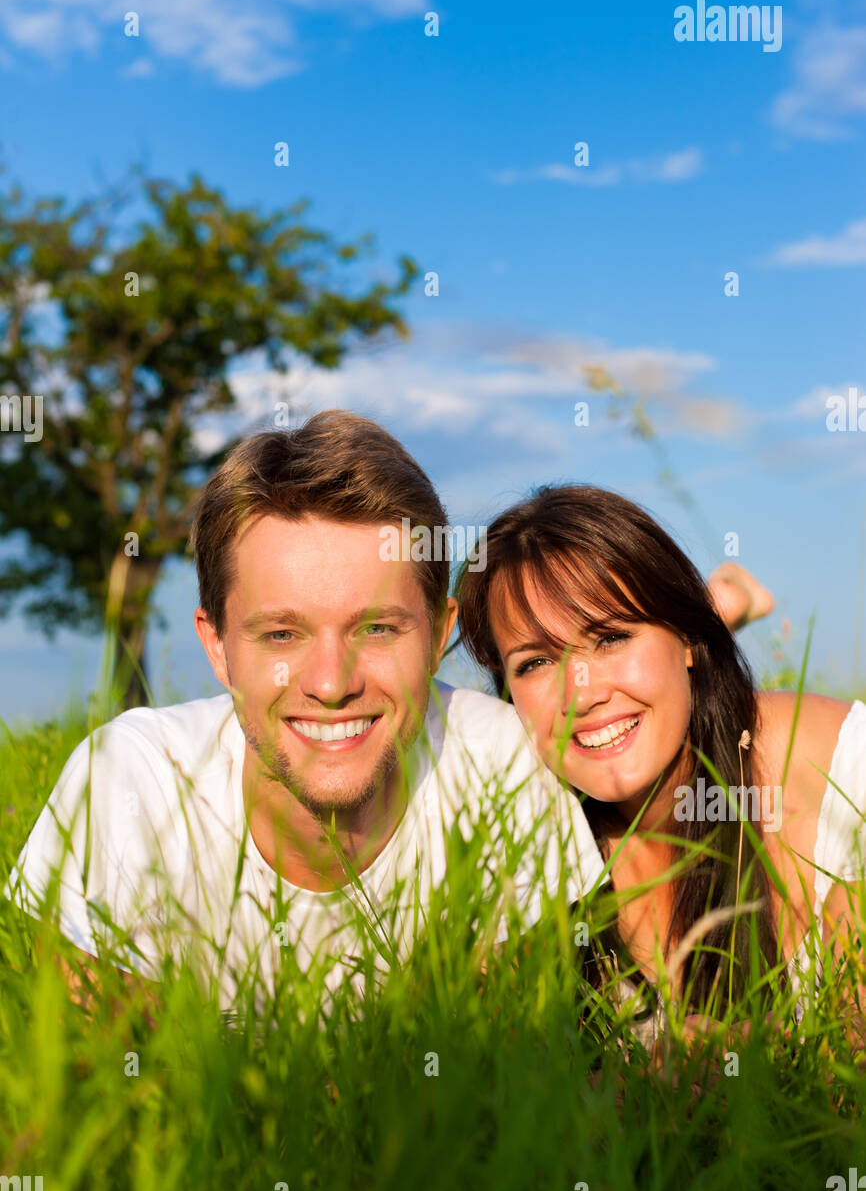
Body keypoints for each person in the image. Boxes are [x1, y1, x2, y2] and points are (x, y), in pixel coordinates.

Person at [5, 413, 604, 1017]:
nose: (330, 683)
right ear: (218, 647)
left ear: (437, 636)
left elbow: (496, 1061)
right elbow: (103, 1070)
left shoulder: (499, 764)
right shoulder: (130, 777)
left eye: (376, 628)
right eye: (282, 634)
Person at [456, 483, 866, 1044]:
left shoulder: (827, 766)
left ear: (688, 638)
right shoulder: (518, 850)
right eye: (536, 662)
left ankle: (727, 599)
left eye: (610, 636)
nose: (582, 693)